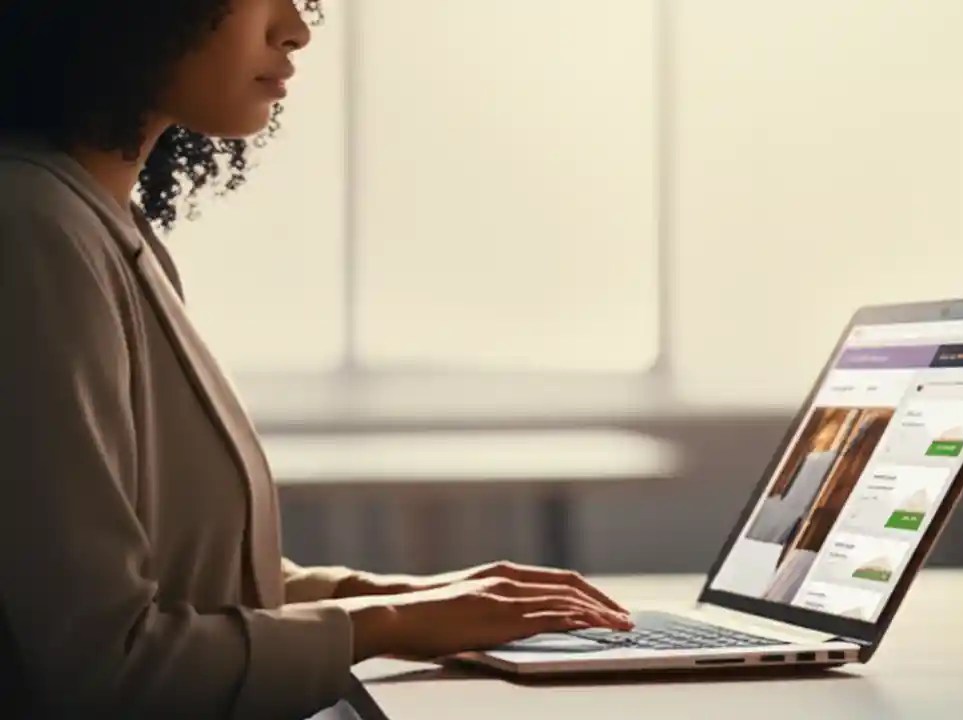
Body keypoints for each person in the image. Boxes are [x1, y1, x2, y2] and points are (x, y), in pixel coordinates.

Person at [0, 1, 633, 717]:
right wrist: (388, 626)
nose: (295, 28)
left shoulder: (95, 221)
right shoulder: (32, 230)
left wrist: (389, 595)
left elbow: (189, 588)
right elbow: (101, 665)